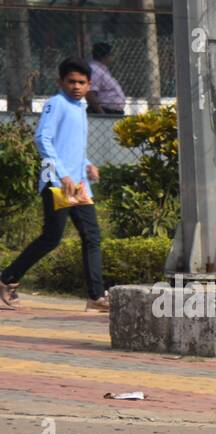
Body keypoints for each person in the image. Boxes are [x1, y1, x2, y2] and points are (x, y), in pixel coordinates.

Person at [0, 59, 106, 312]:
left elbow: (71, 146)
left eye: (82, 82)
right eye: (71, 81)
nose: (76, 87)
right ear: (60, 82)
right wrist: (62, 174)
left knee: (92, 237)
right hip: (57, 183)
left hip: (78, 186)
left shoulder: (80, 107)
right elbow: (42, 139)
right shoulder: (56, 104)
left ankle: (96, 296)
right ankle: (6, 279)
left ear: (89, 84)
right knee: (51, 238)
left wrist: (88, 164)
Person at [87, 42, 126, 115]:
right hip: (105, 111)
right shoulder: (95, 70)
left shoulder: (102, 70)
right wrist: (102, 114)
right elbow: (90, 93)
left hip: (111, 112)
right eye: (111, 55)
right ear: (106, 56)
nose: (112, 57)